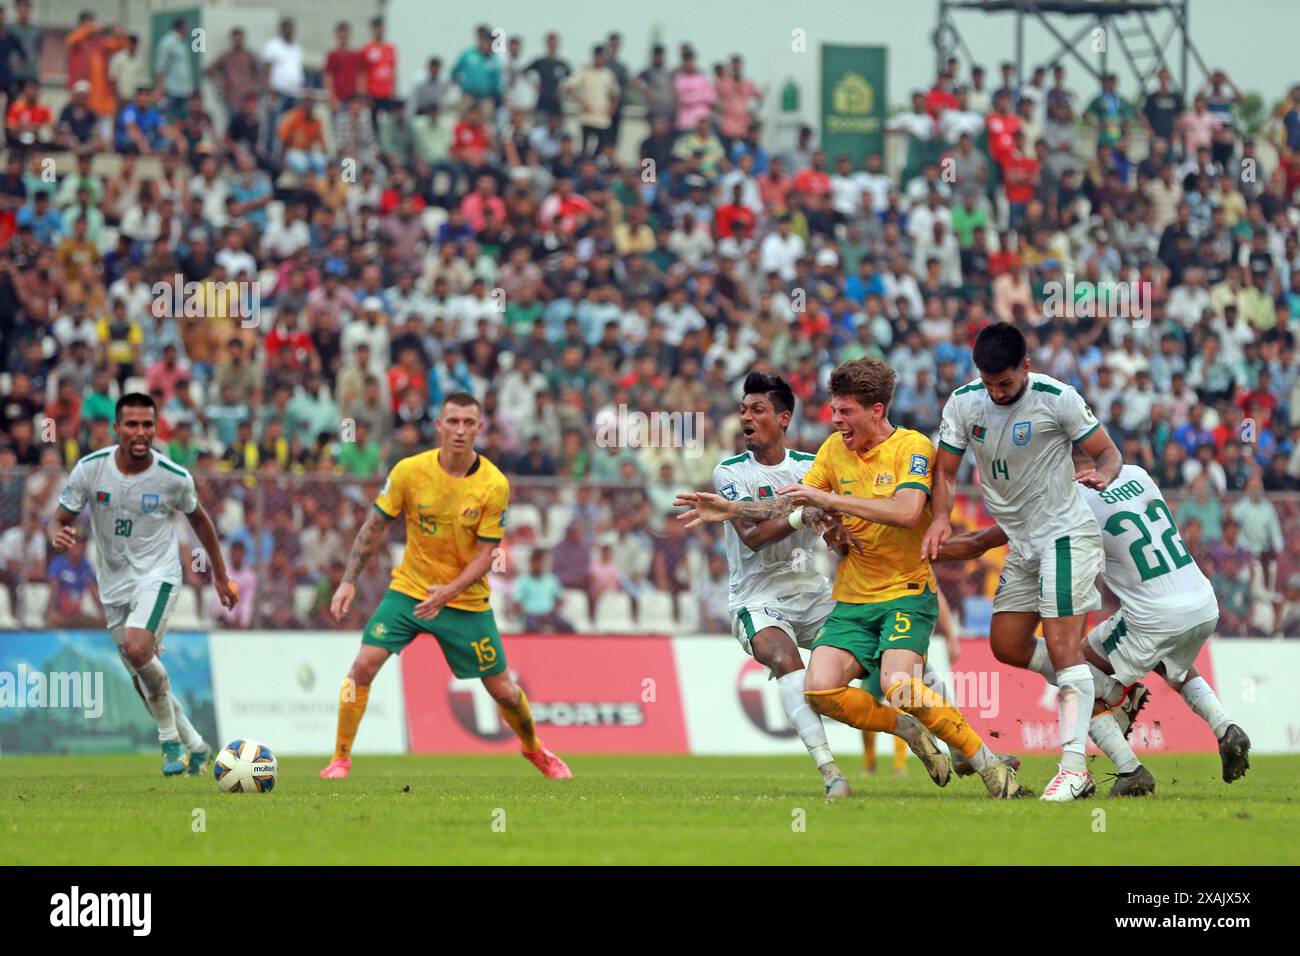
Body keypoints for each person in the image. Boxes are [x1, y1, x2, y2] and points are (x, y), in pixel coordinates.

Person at [678, 361, 1023, 799]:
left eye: (844, 412)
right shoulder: (817, 455)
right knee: (816, 686)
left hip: (894, 591)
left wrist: (826, 504)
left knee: (901, 681)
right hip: (820, 598)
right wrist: (737, 510)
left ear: (875, 410)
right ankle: (886, 745)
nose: (835, 420)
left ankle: (983, 761)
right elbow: (784, 513)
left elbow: (904, 512)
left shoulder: (910, 447)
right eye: (833, 411)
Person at [939, 456, 1252, 793]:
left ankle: (1129, 768)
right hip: (1201, 601)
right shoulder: (1138, 473)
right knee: (1167, 660)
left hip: (1155, 615)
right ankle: (1226, 727)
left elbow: (985, 541)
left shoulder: (1071, 498)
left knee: (1074, 669)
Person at [320, 393, 571, 781]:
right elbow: (375, 525)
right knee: (362, 666)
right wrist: (347, 582)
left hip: (465, 601)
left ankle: (534, 748)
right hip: (409, 589)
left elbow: (488, 555)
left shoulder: (493, 484)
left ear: (479, 428)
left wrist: (447, 593)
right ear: (439, 425)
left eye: (468, 423)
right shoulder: (408, 471)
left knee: (504, 690)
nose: (459, 430)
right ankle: (340, 759)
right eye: (452, 421)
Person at [923, 321, 1123, 801]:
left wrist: (1102, 474)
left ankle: (1075, 768)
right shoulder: (964, 403)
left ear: (1026, 368)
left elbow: (1108, 452)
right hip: (1021, 542)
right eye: (989, 384)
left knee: (1061, 648)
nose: (996, 392)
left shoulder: (1059, 398)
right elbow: (946, 471)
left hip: (1064, 534)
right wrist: (940, 518)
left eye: (1005, 383)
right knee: (1007, 645)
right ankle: (1108, 689)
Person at [47, 393, 237, 775]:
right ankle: (197, 746)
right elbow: (60, 517)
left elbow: (201, 521)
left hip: (159, 576)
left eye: (147, 424)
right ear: (116, 428)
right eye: (132, 424)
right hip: (113, 585)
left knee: (137, 649)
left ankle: (169, 743)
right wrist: (56, 531)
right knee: (141, 673)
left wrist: (220, 575)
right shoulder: (89, 469)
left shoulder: (173, 477)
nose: (140, 432)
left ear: (155, 428)